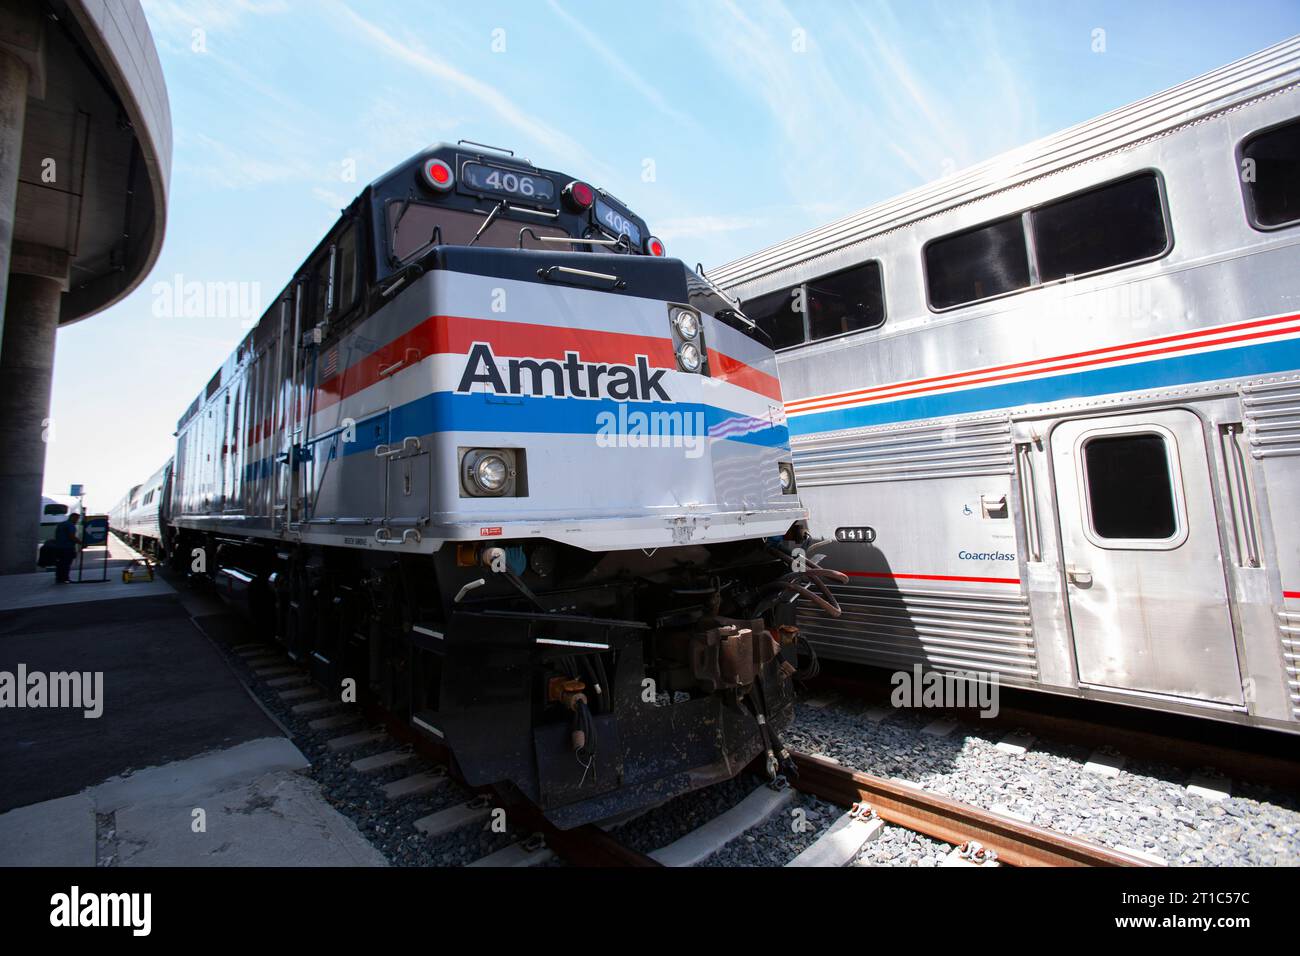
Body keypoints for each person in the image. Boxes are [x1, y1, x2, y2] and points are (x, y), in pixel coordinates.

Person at [52, 512, 80, 584]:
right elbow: (71, 537)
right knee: (66, 564)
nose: (77, 521)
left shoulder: (61, 524)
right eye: (76, 519)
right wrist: (81, 542)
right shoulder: (70, 525)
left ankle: (59, 578)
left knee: (60, 563)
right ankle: (65, 578)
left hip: (59, 547)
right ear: (72, 518)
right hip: (67, 548)